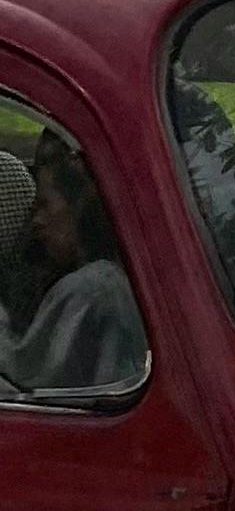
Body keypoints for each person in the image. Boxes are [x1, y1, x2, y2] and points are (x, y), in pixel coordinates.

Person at [0, 131, 148, 398]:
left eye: (45, 204)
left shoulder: (91, 290)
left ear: (80, 205)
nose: (36, 222)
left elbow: (24, 378)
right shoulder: (113, 280)